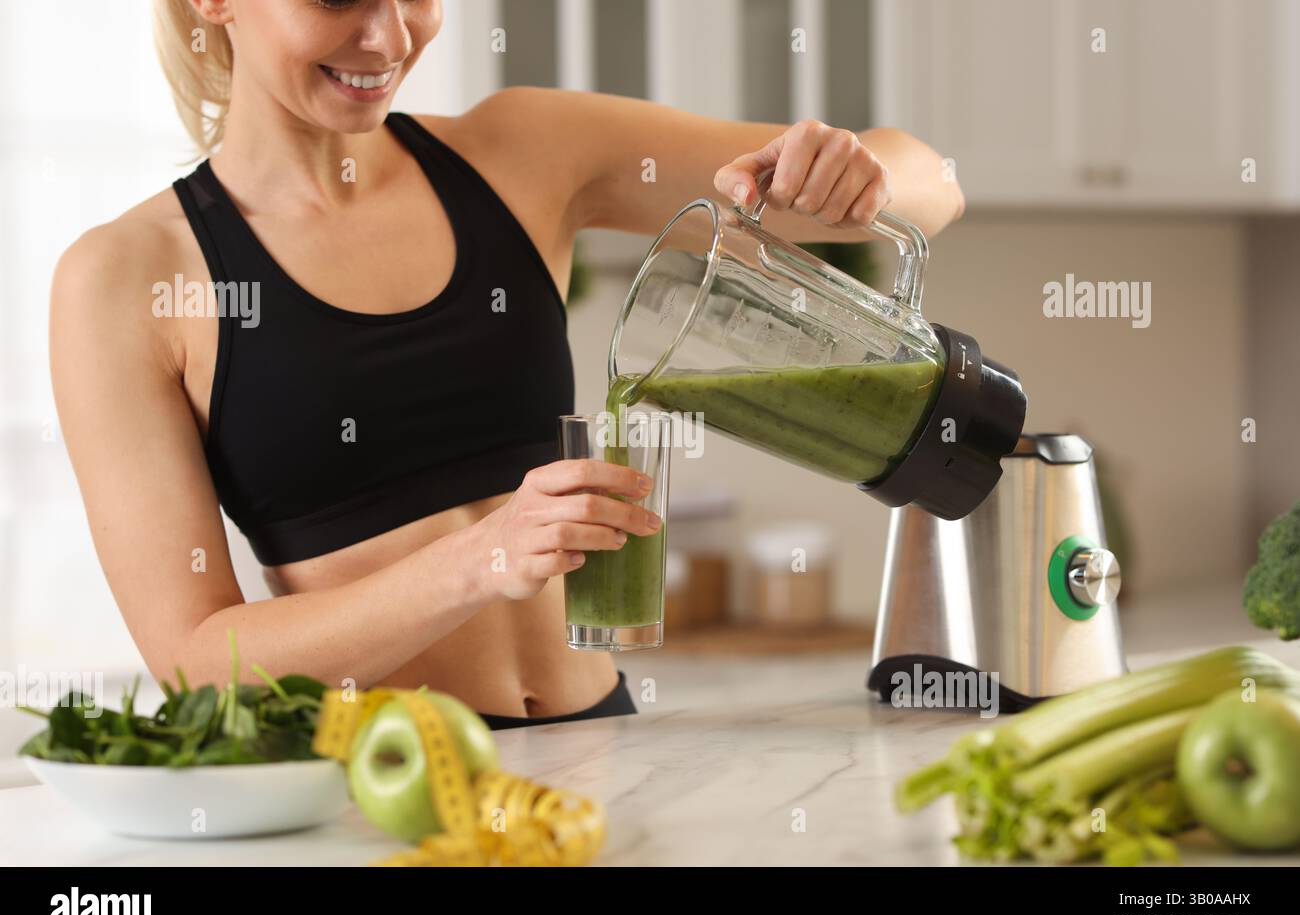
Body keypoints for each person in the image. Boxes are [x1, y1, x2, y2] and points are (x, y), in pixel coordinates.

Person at [49, 0, 965, 729]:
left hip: (598, 745)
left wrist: (861, 177)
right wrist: (482, 558)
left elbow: (933, 180)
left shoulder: (524, 151)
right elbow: (197, 663)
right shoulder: (127, 279)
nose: (386, 34)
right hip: (382, 798)